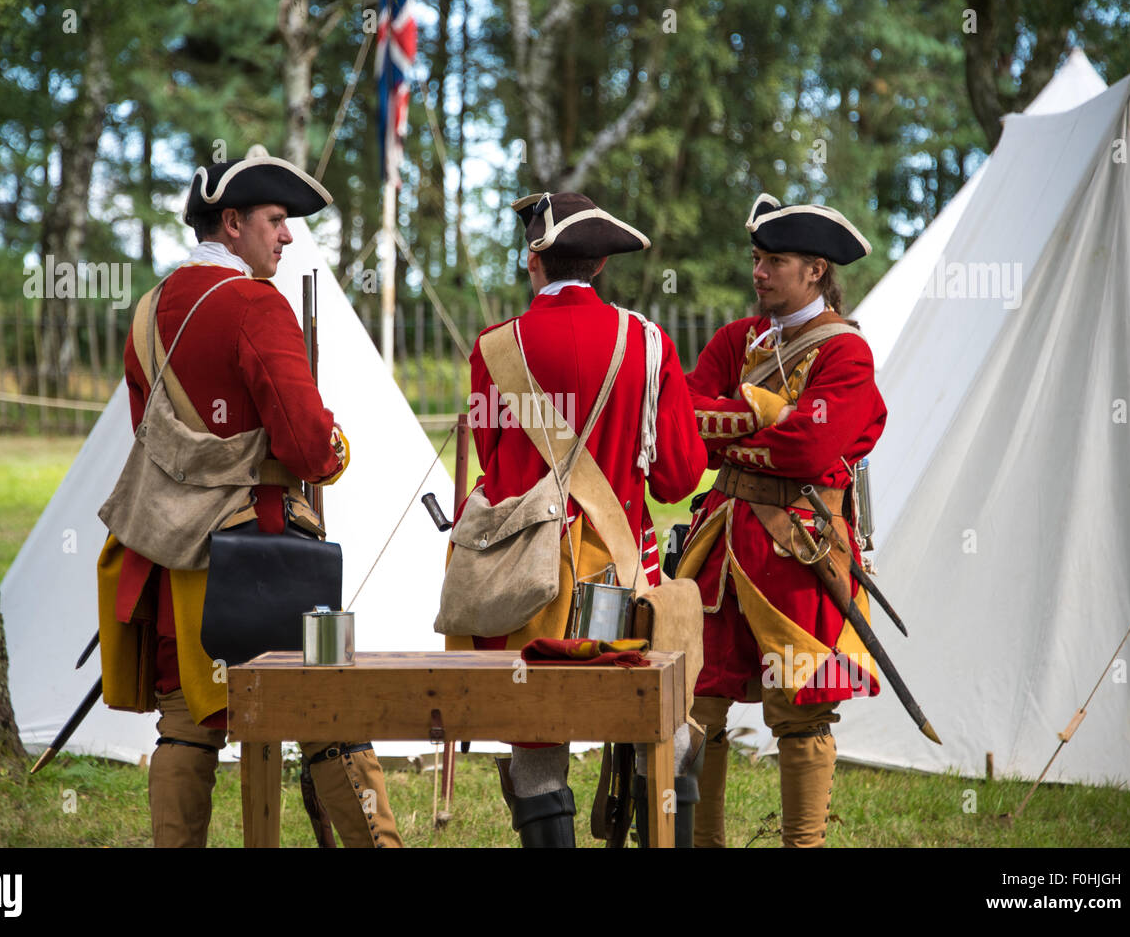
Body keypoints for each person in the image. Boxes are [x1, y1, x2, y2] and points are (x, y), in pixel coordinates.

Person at [96, 148, 403, 848]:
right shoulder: (256, 305)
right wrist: (335, 449)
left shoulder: (148, 313)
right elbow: (304, 443)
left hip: (173, 562)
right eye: (275, 219)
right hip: (259, 555)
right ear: (230, 223)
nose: (287, 235)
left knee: (184, 725)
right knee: (328, 712)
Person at [442, 191, 708, 846]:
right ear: (601, 266)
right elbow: (677, 474)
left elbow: (501, 479)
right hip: (625, 579)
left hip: (531, 584)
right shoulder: (648, 343)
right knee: (662, 729)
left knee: (536, 743)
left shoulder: (495, 347)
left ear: (535, 257)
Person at [676, 193, 887, 848]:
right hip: (719, 546)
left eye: (776, 260)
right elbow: (683, 416)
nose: (759, 271)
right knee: (696, 704)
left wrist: (734, 422)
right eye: (757, 257)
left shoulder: (846, 354)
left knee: (802, 712)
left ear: (816, 270)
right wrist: (763, 415)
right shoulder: (737, 340)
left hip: (797, 548)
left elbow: (809, 449)